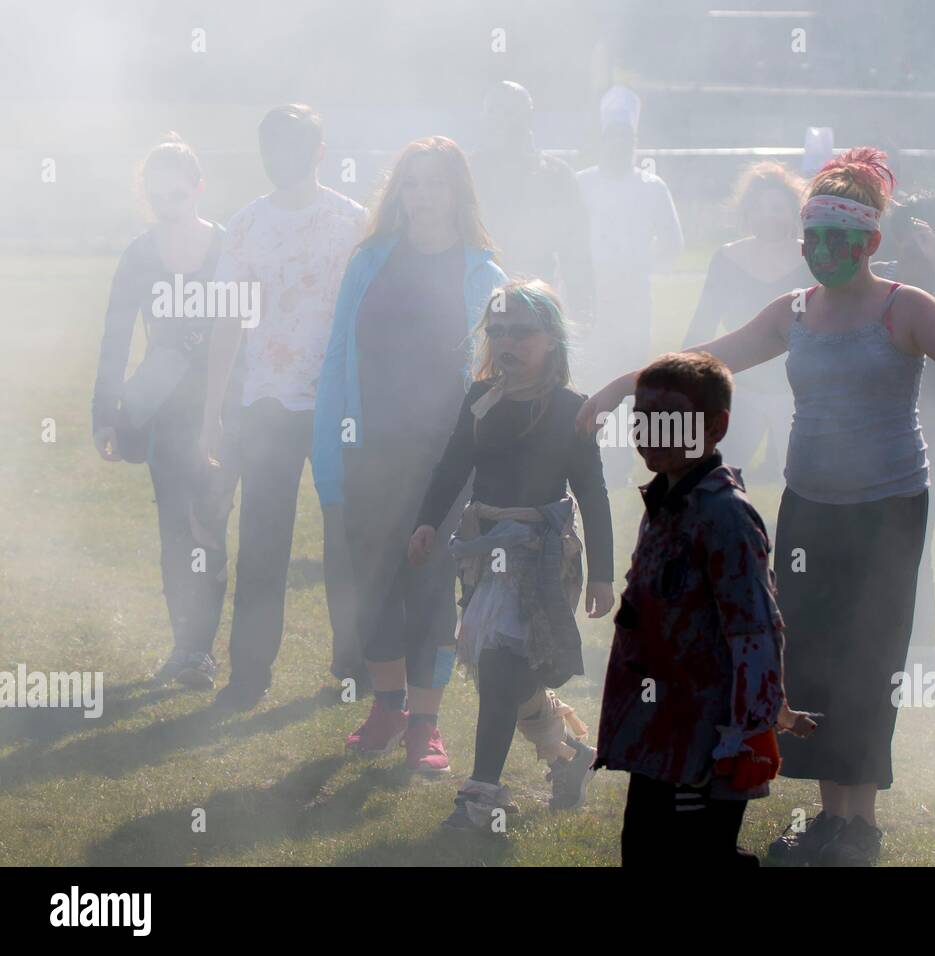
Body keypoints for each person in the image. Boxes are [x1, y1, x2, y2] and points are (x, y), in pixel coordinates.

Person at [579, 147, 935, 866]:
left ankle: (858, 821)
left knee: (869, 660)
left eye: (838, 240)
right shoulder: (794, 313)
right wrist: (622, 385)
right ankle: (825, 813)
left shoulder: (905, 308)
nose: (821, 252)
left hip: (888, 510)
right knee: (806, 659)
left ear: (870, 242)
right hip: (809, 507)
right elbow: (710, 356)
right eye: (812, 240)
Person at [312, 137, 507, 774]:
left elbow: (498, 382)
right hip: (368, 451)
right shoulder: (369, 261)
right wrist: (331, 452)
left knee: (428, 590)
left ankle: (425, 725)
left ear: (459, 192)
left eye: (435, 184)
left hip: (444, 465)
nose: (421, 196)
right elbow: (338, 357)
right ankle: (386, 707)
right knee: (372, 586)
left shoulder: (483, 274)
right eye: (411, 184)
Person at [594, 351, 813, 867]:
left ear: (716, 427)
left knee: (694, 857)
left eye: (673, 420)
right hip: (659, 731)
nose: (653, 432)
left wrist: (753, 725)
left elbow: (756, 629)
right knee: (645, 853)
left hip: (704, 742)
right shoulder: (664, 505)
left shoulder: (726, 517)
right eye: (643, 419)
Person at [409, 279, 615, 828]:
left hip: (541, 557)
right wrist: (428, 520)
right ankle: (568, 755)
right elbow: (452, 465)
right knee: (502, 669)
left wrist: (602, 576)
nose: (508, 343)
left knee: (503, 662)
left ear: (551, 339)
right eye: (497, 332)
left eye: (522, 332)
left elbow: (592, 492)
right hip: (484, 549)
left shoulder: (572, 408)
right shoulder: (480, 399)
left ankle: (480, 795)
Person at [200, 104, 368, 710]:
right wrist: (215, 410)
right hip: (266, 404)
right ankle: (248, 675)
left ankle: (354, 668)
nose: (280, 157)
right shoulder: (245, 226)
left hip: (336, 405)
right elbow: (226, 324)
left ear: (319, 152)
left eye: (293, 145)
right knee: (262, 541)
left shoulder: (353, 222)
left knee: (345, 541)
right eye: (270, 145)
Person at [92, 133, 240, 690]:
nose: (168, 206)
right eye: (157, 197)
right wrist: (105, 413)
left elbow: (244, 331)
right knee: (176, 529)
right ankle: (186, 647)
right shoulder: (139, 254)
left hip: (223, 413)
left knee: (210, 524)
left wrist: (224, 411)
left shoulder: (229, 248)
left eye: (177, 195)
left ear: (198, 189)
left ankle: (200, 650)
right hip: (163, 414)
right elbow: (114, 337)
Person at [872, 190, 935, 674]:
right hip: (872, 422)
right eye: (912, 228)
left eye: (930, 230)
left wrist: (933, 271)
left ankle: (923, 649)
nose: (919, 238)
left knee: (919, 538)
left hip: (929, 426)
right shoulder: (877, 277)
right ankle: (867, 641)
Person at [681, 161, 805, 482]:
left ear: (794, 213)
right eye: (762, 209)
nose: (770, 217)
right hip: (740, 389)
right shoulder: (726, 258)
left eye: (778, 209)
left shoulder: (811, 257)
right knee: (715, 478)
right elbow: (703, 323)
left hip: (799, 392)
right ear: (748, 213)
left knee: (803, 483)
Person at [576, 85, 685, 386]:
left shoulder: (652, 186)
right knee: (587, 370)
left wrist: (641, 267)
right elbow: (565, 238)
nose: (619, 144)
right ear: (602, 140)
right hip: (588, 292)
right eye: (614, 136)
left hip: (633, 295)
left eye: (627, 138)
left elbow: (672, 242)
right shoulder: (581, 184)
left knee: (629, 371)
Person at [472, 81, 594, 321]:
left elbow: (576, 248)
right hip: (479, 298)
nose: (502, 123)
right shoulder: (468, 172)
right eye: (495, 113)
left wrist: (582, 305)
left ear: (527, 118)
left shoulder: (556, 175)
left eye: (509, 114)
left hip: (535, 299)